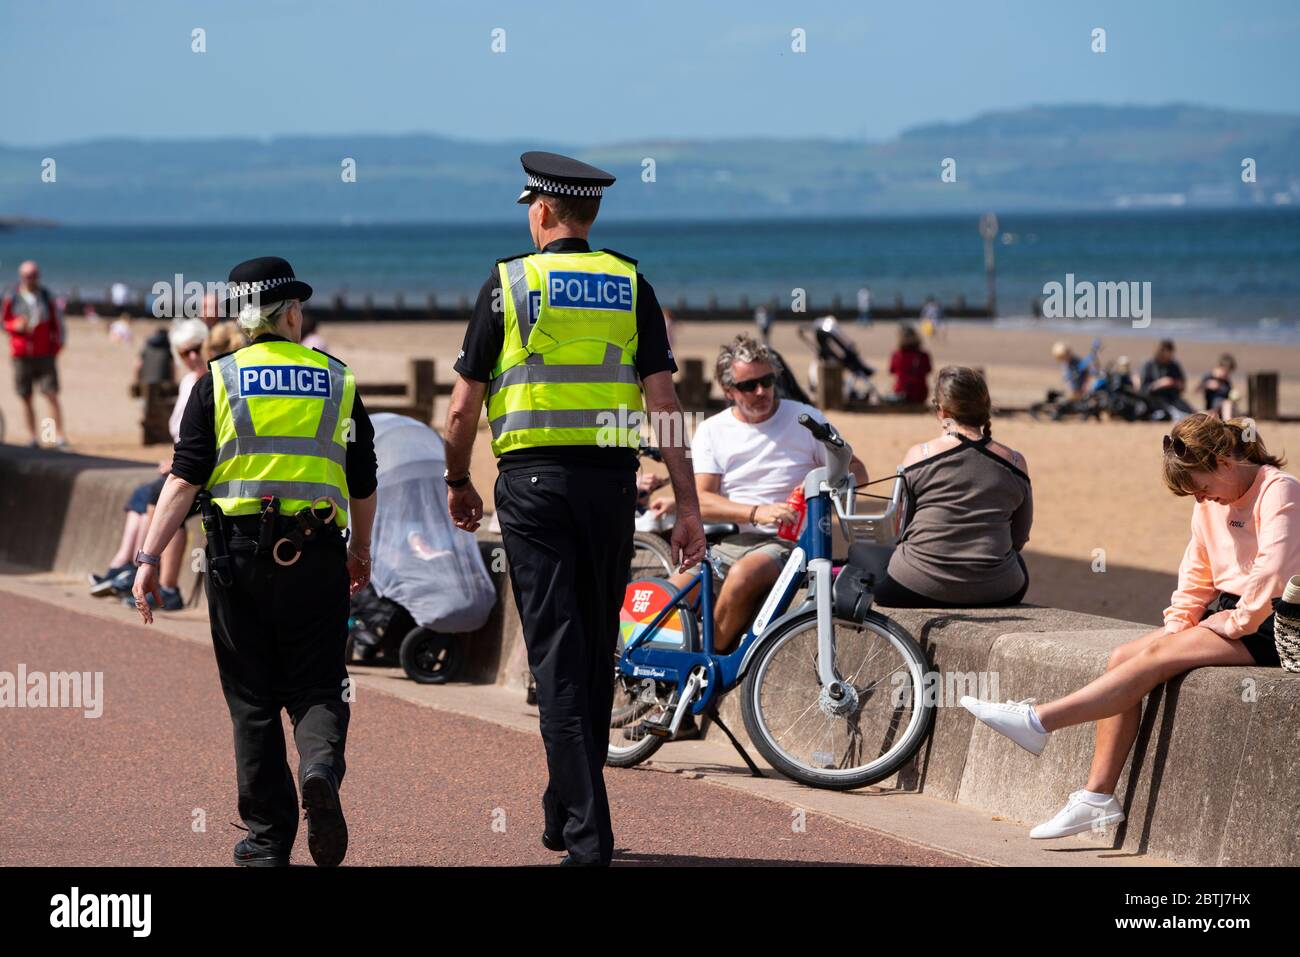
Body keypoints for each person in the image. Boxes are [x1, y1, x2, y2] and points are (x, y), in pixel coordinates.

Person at [442, 151, 706, 867]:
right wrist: (688, 504)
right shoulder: (631, 284)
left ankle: (589, 838)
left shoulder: (510, 284)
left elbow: (463, 405)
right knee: (589, 650)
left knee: (558, 653)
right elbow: (666, 406)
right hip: (612, 486)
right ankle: (564, 810)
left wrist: (457, 479)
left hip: (532, 485)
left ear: (542, 211)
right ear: (587, 215)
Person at [131, 256, 378, 868]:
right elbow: (365, 480)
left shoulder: (217, 381)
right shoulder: (338, 379)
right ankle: (319, 767)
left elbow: (184, 480)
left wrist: (147, 556)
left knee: (252, 698)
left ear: (243, 322)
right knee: (319, 683)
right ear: (292, 314)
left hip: (237, 560)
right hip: (317, 552)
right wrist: (359, 550)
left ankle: (268, 840)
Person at [962, 414, 1296, 839]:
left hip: (1275, 621)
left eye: (1203, 486)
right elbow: (1198, 572)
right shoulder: (1208, 503)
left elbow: (1274, 573)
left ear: (1226, 462)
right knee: (1123, 656)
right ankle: (1096, 798)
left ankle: (1037, 720)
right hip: (1232, 612)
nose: (1201, 498)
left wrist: (1232, 624)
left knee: (1156, 657)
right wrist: (1180, 626)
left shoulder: (1279, 490)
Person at [653, 334, 867, 656]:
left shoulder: (804, 418)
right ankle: (661, 682)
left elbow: (858, 472)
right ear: (728, 391)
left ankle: (705, 667)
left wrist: (820, 483)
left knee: (742, 576)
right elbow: (700, 500)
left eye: (768, 380)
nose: (762, 391)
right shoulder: (713, 429)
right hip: (727, 542)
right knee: (667, 598)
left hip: (788, 545)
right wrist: (756, 512)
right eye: (748, 385)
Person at [873, 366, 1032, 608]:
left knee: (861, 556)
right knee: (1017, 563)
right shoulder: (1015, 462)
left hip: (916, 583)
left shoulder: (918, 456)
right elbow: (1018, 539)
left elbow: (897, 528)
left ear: (943, 411)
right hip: (998, 589)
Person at [3, 260, 67, 447]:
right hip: (21, 353)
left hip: (44, 353)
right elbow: (4, 321)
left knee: (50, 394)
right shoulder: (12, 296)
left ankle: (54, 436)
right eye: (26, 276)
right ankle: (33, 437)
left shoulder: (46, 297)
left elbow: (58, 325)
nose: (30, 279)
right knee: (26, 396)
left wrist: (55, 349)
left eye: (33, 276)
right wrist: (14, 326)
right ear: (21, 277)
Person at [1140, 338, 1194, 421]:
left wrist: (1173, 383)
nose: (1168, 356)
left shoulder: (1174, 365)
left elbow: (1182, 386)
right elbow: (1143, 389)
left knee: (1190, 412)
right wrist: (1158, 384)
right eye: (1166, 353)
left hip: (1173, 398)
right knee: (1170, 413)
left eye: (1170, 353)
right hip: (1155, 399)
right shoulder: (1149, 365)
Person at [888, 323, 932, 404]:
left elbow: (892, 371)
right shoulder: (923, 355)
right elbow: (928, 370)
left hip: (901, 392)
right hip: (920, 394)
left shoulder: (896, 355)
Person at [1199, 353, 1238, 419]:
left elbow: (1229, 395)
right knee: (1227, 404)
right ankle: (1228, 424)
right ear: (1219, 366)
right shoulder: (1210, 376)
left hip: (1224, 409)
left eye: (1229, 372)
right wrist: (1207, 385)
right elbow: (1197, 389)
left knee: (1231, 405)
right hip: (1213, 409)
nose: (1227, 374)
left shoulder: (1226, 381)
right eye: (1226, 371)